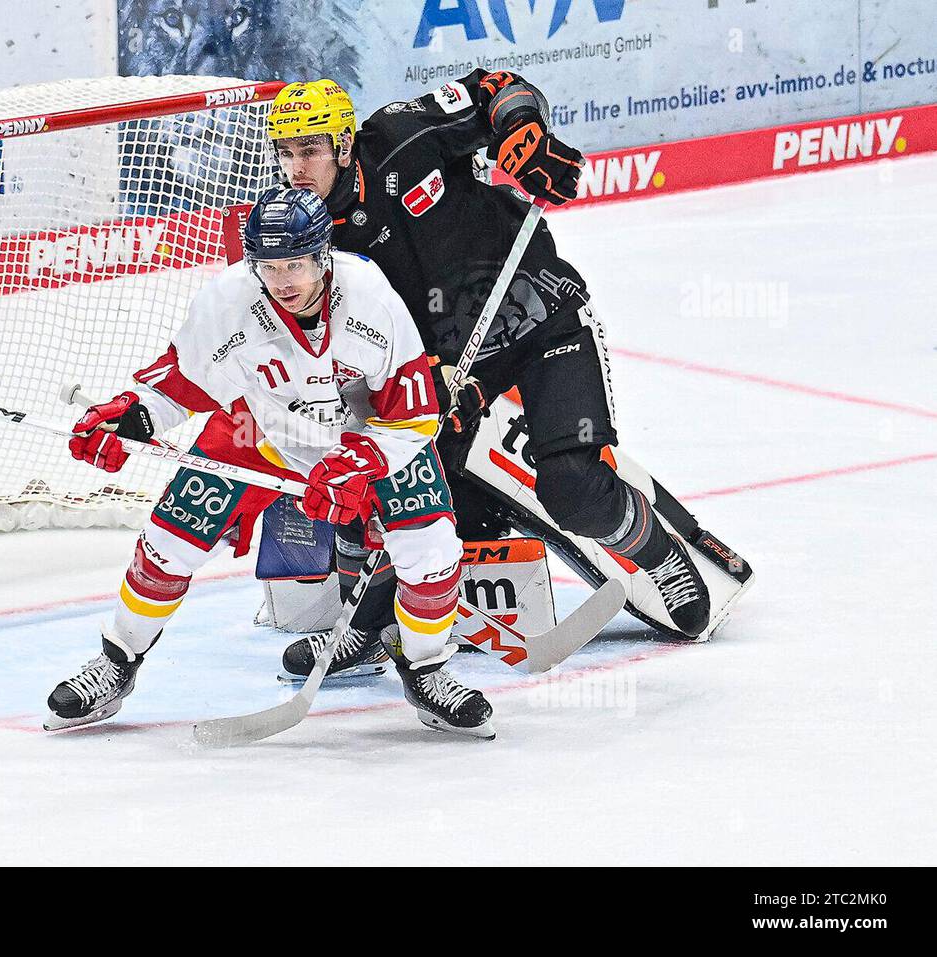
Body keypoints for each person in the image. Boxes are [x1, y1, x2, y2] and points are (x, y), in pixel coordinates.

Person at [265, 74, 712, 681]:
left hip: (540, 317)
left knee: (573, 489)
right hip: (453, 365)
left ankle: (659, 558)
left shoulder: (402, 136)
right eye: (286, 152)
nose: (296, 168)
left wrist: (524, 135)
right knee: (384, 479)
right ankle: (368, 625)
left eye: (310, 149)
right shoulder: (308, 232)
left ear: (344, 145)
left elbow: (493, 86)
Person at [46, 186, 494, 739]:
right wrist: (132, 417)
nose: (283, 280)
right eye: (269, 266)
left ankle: (426, 670)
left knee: (430, 548)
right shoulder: (227, 302)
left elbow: (414, 416)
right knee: (168, 543)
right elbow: (180, 385)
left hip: (368, 440)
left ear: (323, 255)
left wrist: (363, 459)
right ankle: (116, 663)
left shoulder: (371, 298)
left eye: (295, 264)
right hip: (260, 431)